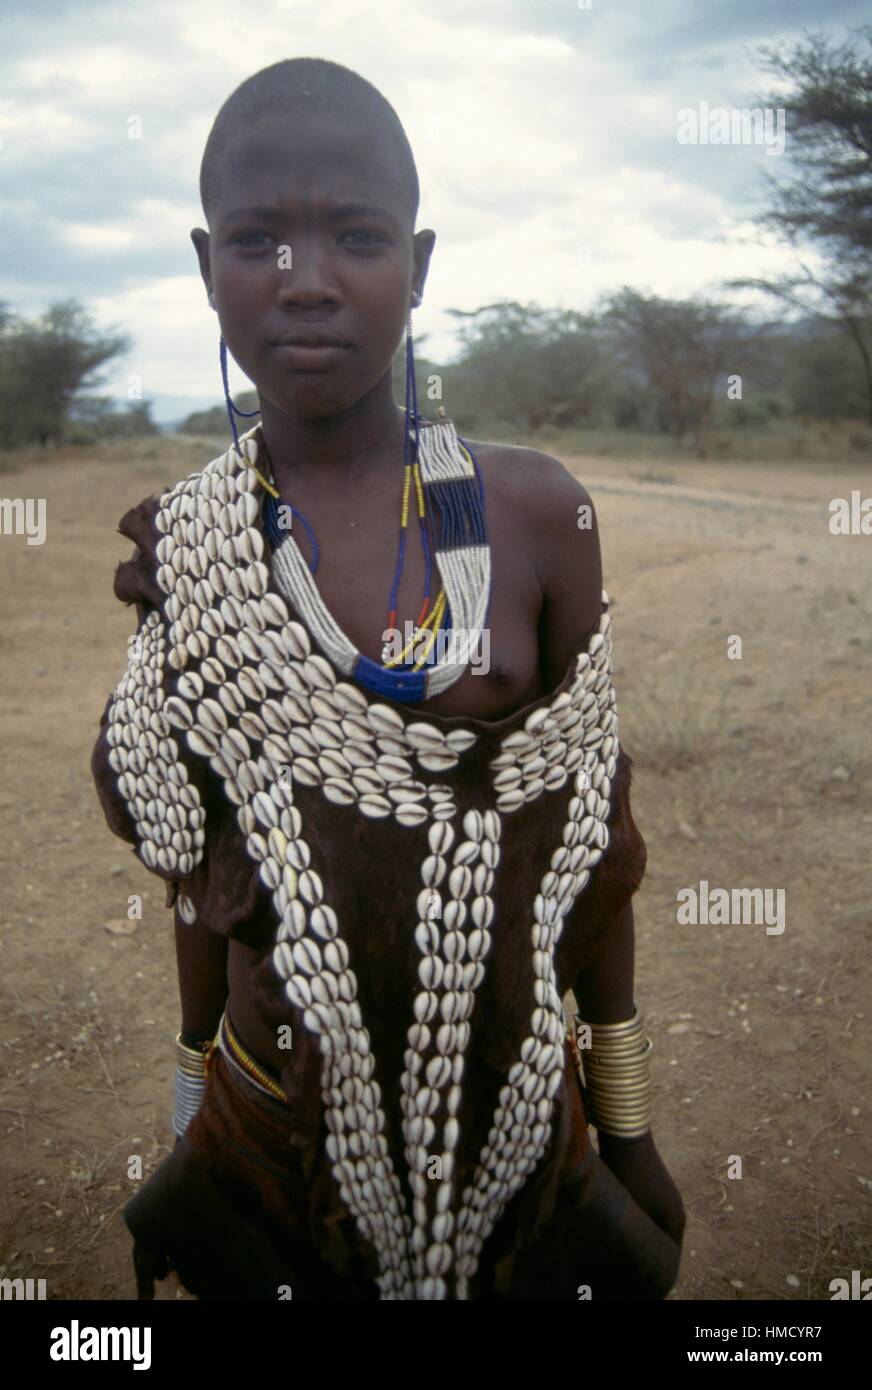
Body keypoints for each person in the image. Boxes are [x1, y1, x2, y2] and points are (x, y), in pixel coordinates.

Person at [90, 56, 685, 1301]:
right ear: (207, 269)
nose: (304, 279)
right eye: (257, 240)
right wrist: (193, 1107)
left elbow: (596, 841)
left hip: (519, 1130)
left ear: (417, 265)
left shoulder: (531, 516)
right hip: (268, 1126)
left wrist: (622, 1117)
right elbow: (202, 877)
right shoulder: (187, 546)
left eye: (354, 236)